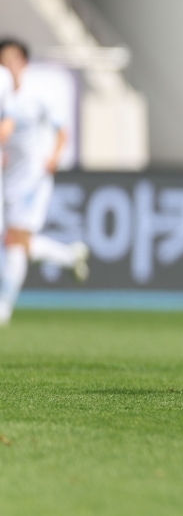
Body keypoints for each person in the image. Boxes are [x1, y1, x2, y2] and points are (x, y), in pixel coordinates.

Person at [0, 39, 89, 327]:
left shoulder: (34, 96)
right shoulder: (4, 97)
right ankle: (68, 255)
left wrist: (54, 156)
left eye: (12, 58)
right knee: (15, 243)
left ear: (23, 62)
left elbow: (61, 129)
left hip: (34, 179)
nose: (7, 65)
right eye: (3, 59)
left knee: (13, 240)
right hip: (9, 180)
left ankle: (4, 307)